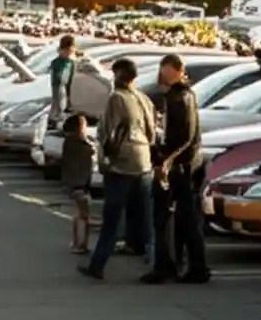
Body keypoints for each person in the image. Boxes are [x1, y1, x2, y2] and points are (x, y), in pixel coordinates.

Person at [79, 58, 156, 280]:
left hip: (122, 165)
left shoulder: (117, 98)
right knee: (145, 219)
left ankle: (97, 265)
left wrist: (106, 160)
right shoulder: (143, 98)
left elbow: (108, 134)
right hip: (144, 163)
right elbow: (151, 133)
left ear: (120, 75)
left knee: (111, 218)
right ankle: (154, 264)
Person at [146, 54, 211, 284]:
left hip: (181, 166)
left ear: (173, 70)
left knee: (169, 217)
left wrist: (165, 158)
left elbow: (182, 136)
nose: (161, 74)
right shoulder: (186, 95)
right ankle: (189, 265)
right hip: (188, 163)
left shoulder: (178, 98)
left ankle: (171, 266)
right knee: (185, 219)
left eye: (164, 69)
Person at [61, 113, 96, 254]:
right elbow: (91, 151)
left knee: (78, 214)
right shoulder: (78, 144)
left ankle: (77, 242)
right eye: (84, 125)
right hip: (79, 184)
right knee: (83, 215)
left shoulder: (69, 142)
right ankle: (80, 244)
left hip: (74, 183)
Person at [49, 35, 76, 121]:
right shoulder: (56, 62)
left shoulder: (71, 63)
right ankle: (56, 117)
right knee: (59, 104)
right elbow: (57, 79)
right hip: (59, 86)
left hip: (66, 88)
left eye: (70, 51)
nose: (69, 52)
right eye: (67, 50)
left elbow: (71, 80)